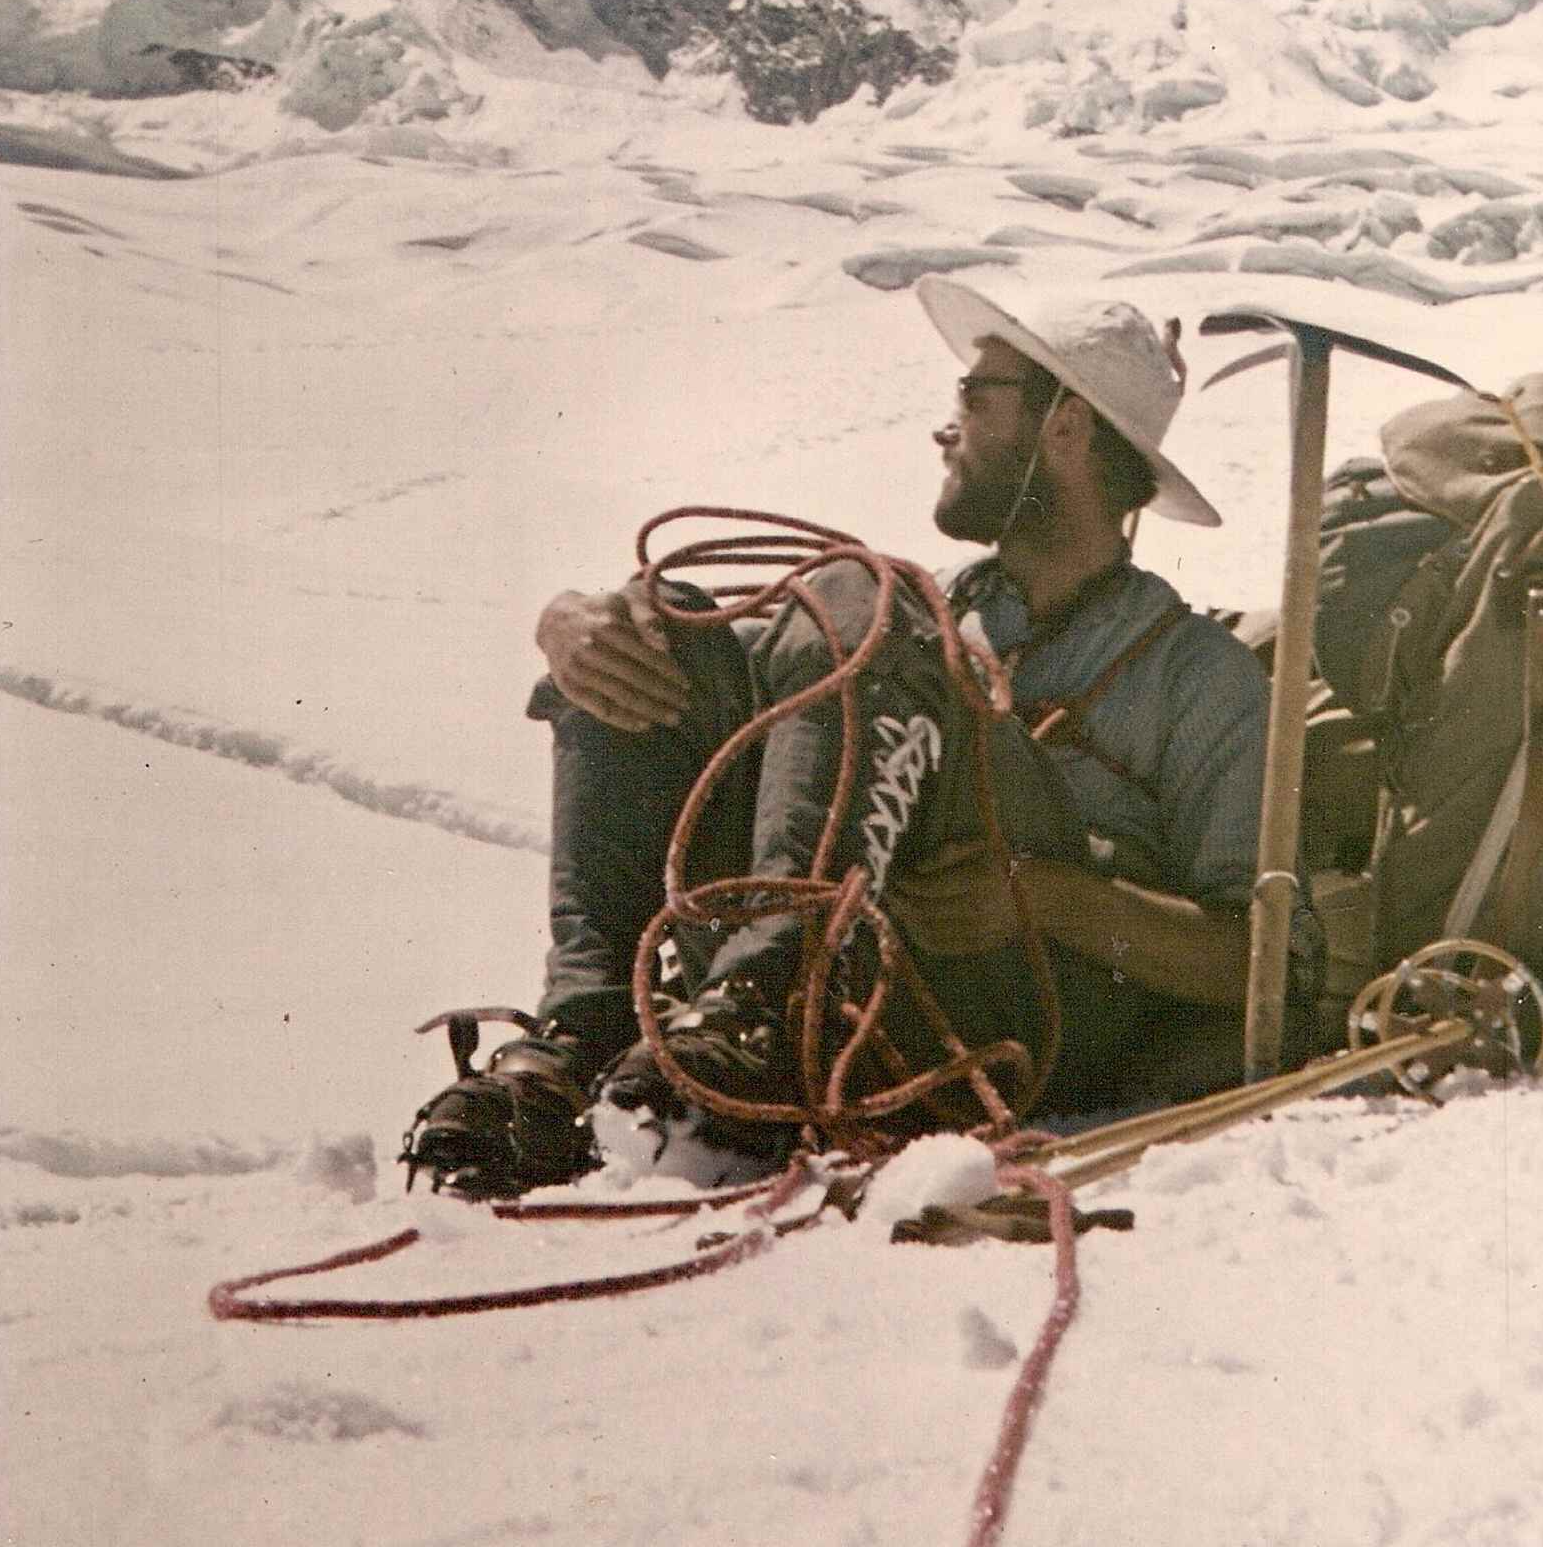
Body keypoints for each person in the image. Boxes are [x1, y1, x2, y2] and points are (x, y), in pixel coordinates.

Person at [402, 278, 1296, 1196]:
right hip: (886, 982)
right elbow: (720, 679)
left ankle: (770, 1001)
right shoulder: (926, 619)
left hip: (1031, 1012)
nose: (946, 428)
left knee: (852, 596)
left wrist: (1046, 897)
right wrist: (578, 629)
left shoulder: (1197, 674)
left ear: (1064, 429)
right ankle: (579, 1038)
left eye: (973, 397)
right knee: (671, 630)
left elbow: (1260, 965)